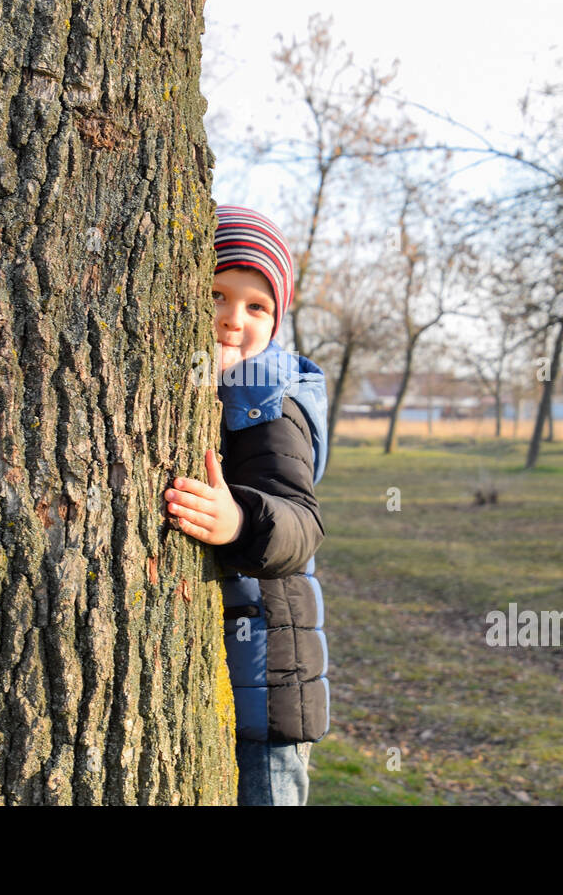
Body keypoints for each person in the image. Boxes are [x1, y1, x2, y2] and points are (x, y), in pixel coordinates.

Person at [162, 204, 330, 806]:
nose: (234, 319)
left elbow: (302, 524)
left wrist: (239, 521)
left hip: (270, 683)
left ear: (276, 319)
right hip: (227, 671)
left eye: (257, 306)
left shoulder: (270, 396)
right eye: (217, 294)